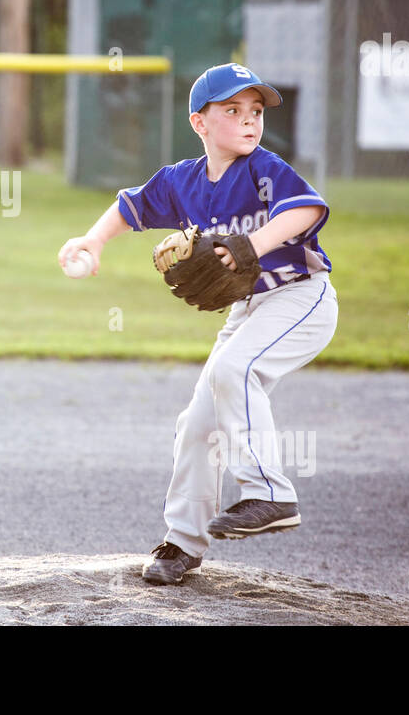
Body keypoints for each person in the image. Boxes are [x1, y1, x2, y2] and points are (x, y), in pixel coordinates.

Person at [57, 63, 339, 585]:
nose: (249, 121)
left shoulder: (265, 169)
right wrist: (94, 241)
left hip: (302, 299)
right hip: (251, 308)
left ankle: (270, 492)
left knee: (234, 369)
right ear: (199, 123)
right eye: (232, 110)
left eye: (255, 111)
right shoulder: (182, 182)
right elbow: (130, 206)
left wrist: (248, 246)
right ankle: (183, 543)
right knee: (197, 424)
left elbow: (307, 210)